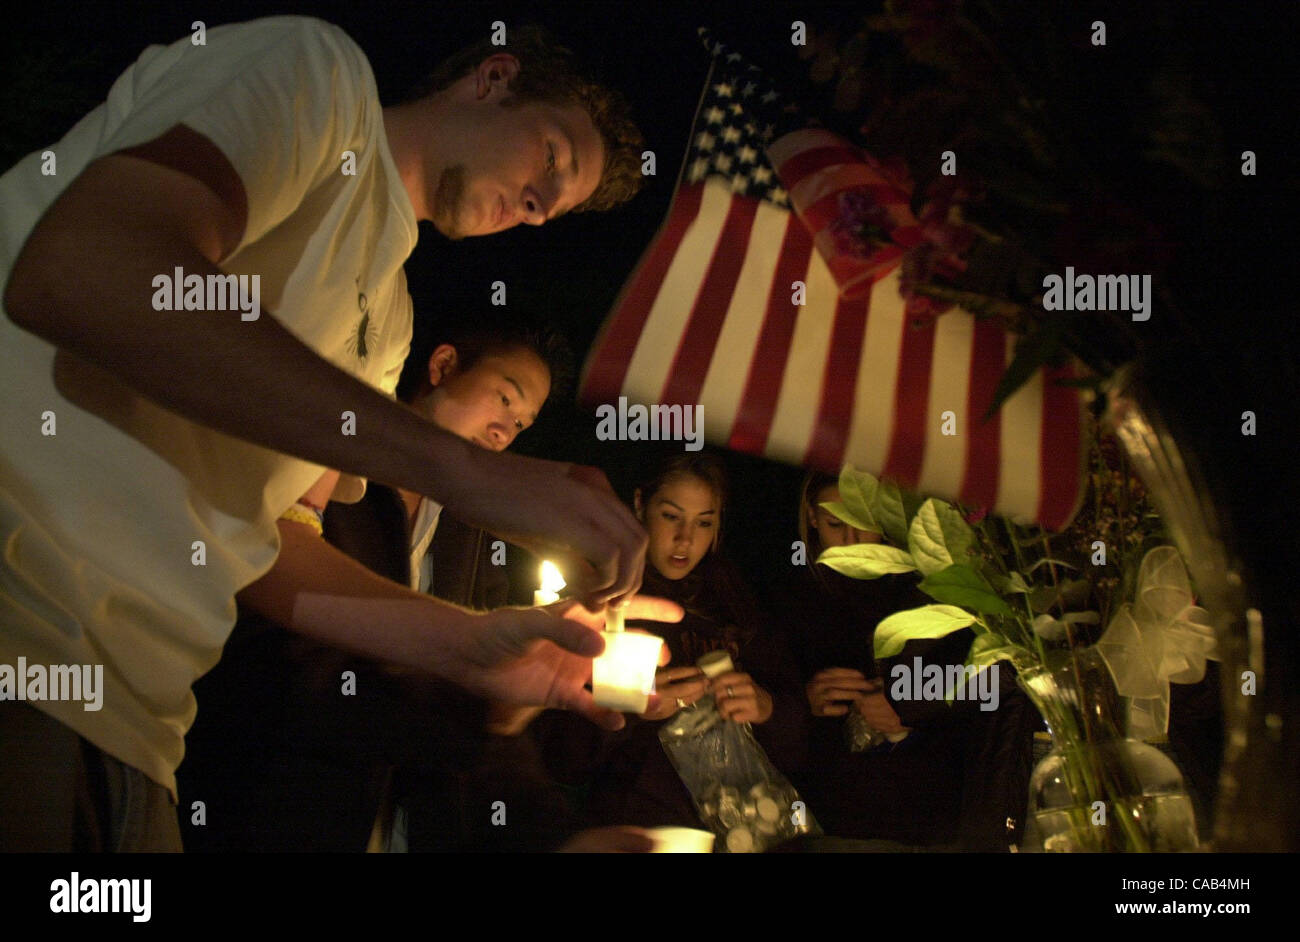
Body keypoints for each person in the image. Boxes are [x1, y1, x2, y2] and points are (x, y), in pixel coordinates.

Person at [0, 16, 668, 852]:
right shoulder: (318, 76)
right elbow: (88, 266)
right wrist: (463, 470)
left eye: (553, 210)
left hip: (139, 721)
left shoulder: (387, 324)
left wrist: (466, 648)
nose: (536, 209)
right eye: (550, 160)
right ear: (493, 80)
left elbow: (268, 546)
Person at [773, 472, 1036, 851]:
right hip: (833, 814)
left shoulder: (926, 583)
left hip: (929, 807)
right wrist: (805, 699)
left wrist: (906, 702)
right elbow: (772, 703)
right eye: (835, 525)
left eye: (863, 524)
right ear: (812, 519)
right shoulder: (791, 595)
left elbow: (994, 679)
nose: (851, 541)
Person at [570, 452, 806, 830]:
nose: (685, 539)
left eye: (704, 522)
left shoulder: (737, 600)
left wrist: (766, 708)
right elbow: (563, 754)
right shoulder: (601, 598)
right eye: (671, 516)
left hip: (743, 826)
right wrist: (629, 705)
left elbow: (798, 733)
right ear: (639, 504)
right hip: (637, 827)